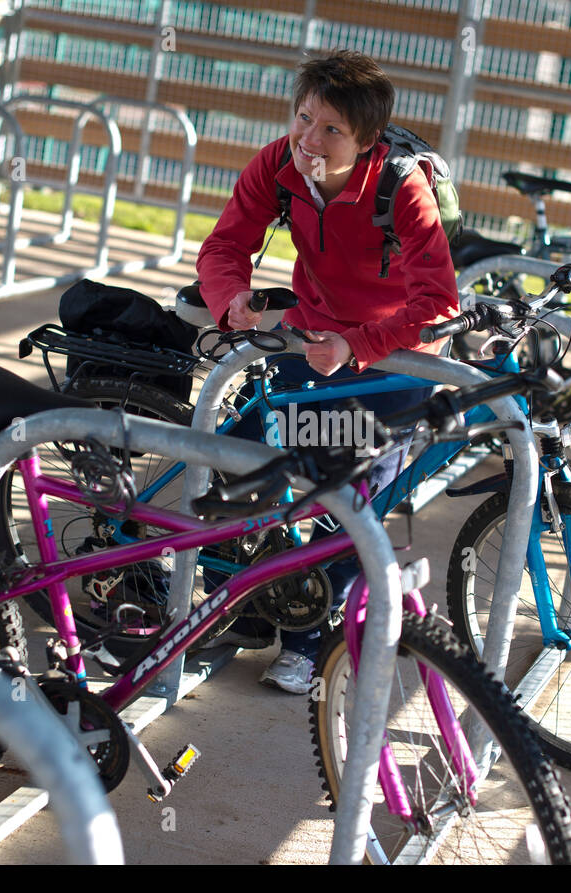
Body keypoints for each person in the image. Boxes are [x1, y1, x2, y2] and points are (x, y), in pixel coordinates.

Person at [194, 49, 459, 692]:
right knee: (246, 464)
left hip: (390, 364)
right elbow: (226, 243)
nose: (309, 139)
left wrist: (359, 345)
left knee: (349, 497)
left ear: (365, 141)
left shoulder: (402, 187)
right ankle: (239, 608)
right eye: (303, 117)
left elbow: (439, 304)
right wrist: (231, 295)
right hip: (306, 343)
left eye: (332, 129)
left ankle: (310, 640)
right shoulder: (279, 162)